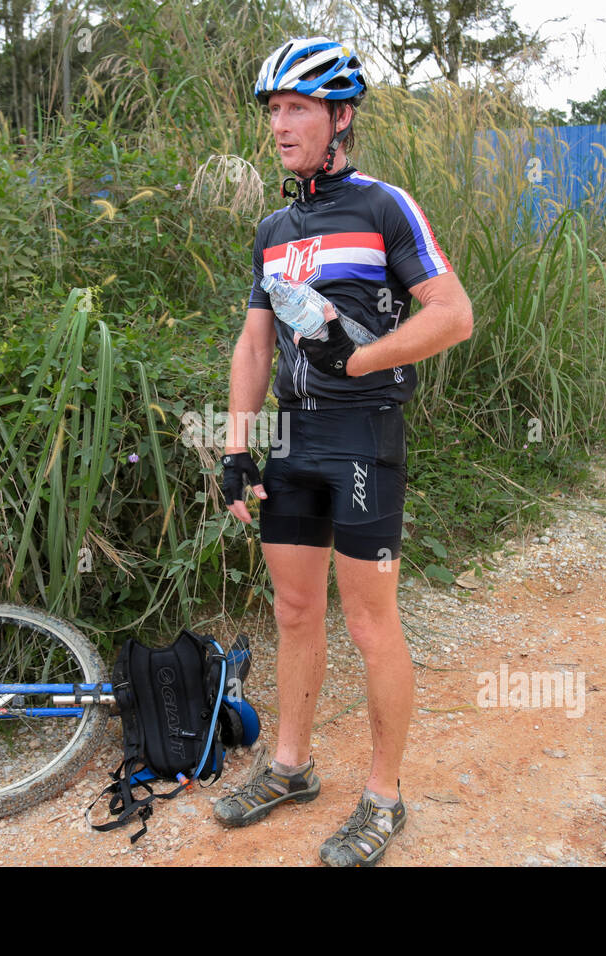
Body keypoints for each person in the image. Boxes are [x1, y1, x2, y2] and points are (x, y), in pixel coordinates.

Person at [214, 37, 474, 866]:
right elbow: (254, 347)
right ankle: (291, 766)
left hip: (365, 436)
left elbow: (452, 315)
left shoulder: (383, 207)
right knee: (294, 611)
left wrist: (357, 358)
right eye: (274, 111)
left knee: (369, 622)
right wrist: (236, 449)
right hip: (294, 439)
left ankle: (383, 798)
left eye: (298, 109)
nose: (282, 125)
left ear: (340, 117)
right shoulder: (274, 228)